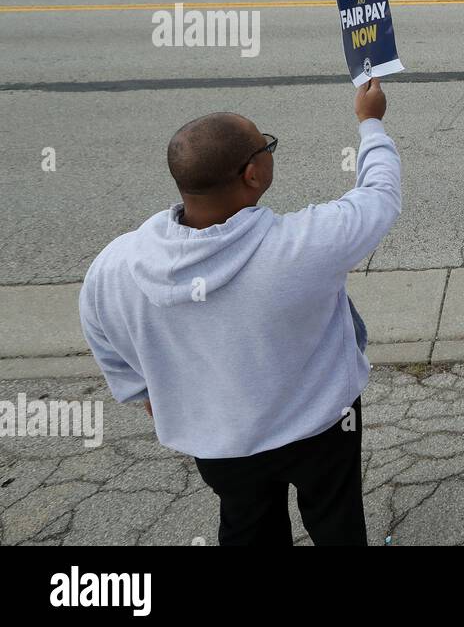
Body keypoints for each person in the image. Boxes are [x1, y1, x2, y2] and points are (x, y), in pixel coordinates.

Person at [79, 79, 400, 546]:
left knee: (248, 524)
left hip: (218, 442)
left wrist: (149, 395)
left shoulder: (113, 267)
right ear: (252, 174)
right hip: (324, 425)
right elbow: (379, 195)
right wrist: (371, 122)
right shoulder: (303, 245)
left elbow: (105, 341)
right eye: (265, 144)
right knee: (335, 518)